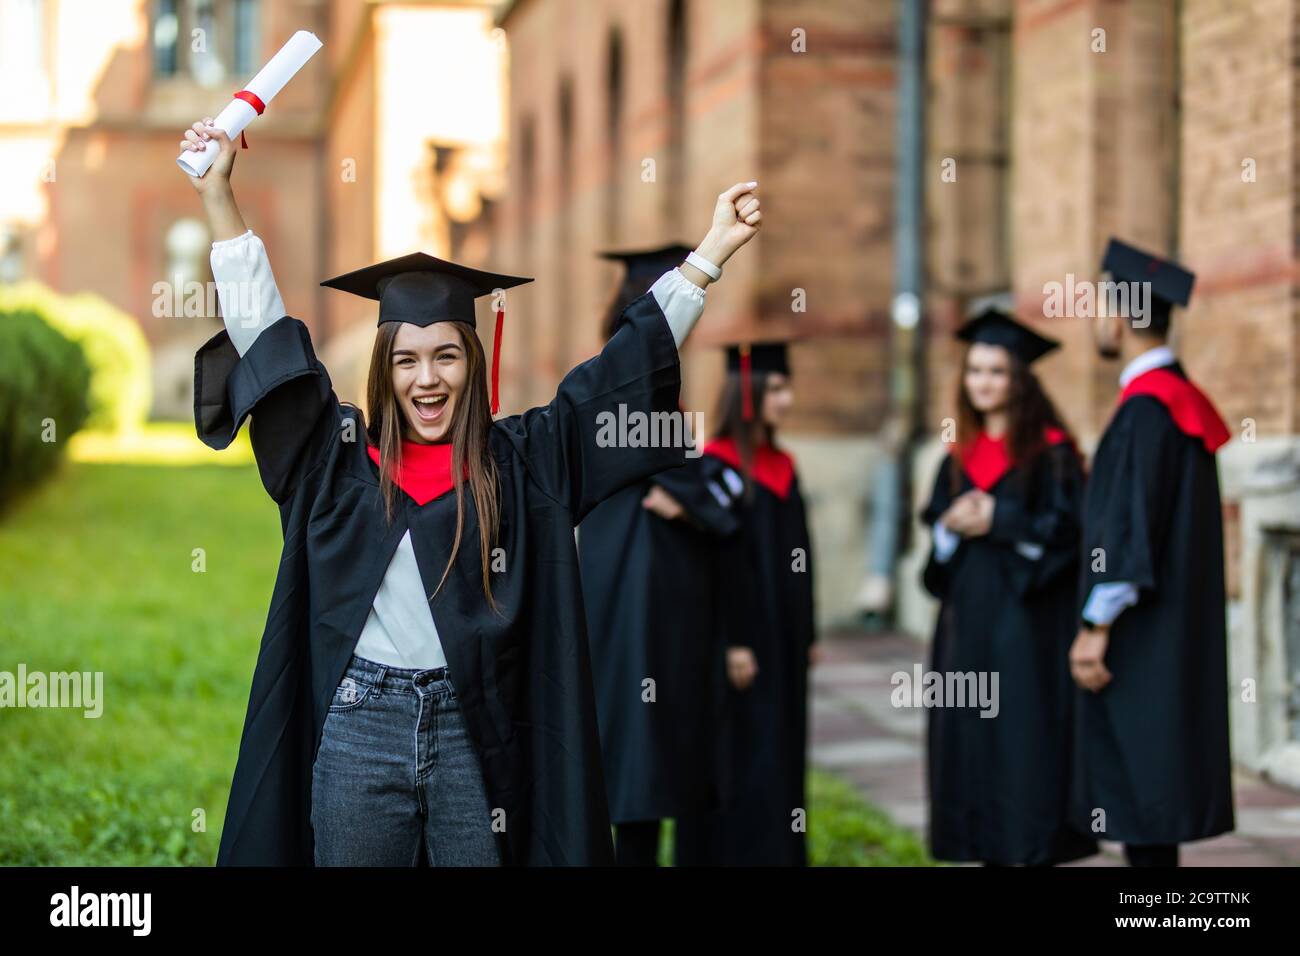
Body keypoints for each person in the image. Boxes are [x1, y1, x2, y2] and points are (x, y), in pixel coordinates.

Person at [178, 117, 762, 865]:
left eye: (447, 356)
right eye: (409, 360)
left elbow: (614, 379)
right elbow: (267, 342)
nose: (428, 379)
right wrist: (219, 199)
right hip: (361, 727)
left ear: (473, 361)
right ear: (386, 372)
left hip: (474, 733)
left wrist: (707, 257)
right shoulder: (336, 458)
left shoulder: (524, 461)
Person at [579, 244, 747, 867]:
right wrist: (696, 495)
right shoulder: (627, 404)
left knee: (641, 754)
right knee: (635, 757)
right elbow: (715, 503)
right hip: (631, 603)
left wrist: (694, 497)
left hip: (652, 601)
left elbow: (707, 500)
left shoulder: (644, 404)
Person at [1069, 238, 1235, 867]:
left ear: (1117, 313)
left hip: (1136, 632)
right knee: (1151, 794)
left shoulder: (1146, 411)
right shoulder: (1175, 401)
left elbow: (1126, 532)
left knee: (1141, 793)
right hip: (1170, 629)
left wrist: (1093, 625)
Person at [918, 299, 1097, 867]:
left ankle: (1029, 851)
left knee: (1023, 748)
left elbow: (1069, 538)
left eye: (996, 371)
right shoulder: (955, 458)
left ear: (1019, 380)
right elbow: (935, 571)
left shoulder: (1052, 454)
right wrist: (950, 531)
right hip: (965, 630)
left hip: (1027, 633)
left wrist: (999, 521)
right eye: (975, 370)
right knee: (970, 748)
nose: (983, 383)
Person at [675, 340, 817, 866]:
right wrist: (734, 640)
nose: (788, 397)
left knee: (779, 751)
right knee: (738, 754)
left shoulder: (783, 465)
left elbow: (803, 558)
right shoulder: (715, 468)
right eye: (776, 388)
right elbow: (717, 566)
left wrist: (808, 633)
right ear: (750, 394)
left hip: (781, 638)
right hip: (735, 641)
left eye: (787, 386)